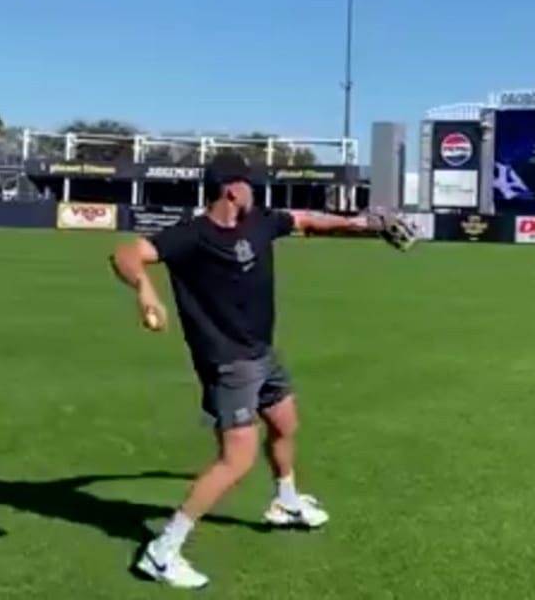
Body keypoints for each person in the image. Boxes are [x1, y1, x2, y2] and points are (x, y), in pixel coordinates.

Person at [110, 151, 379, 590]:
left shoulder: (261, 222)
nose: (256, 191)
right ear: (232, 189)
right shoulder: (190, 237)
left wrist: (363, 224)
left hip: (262, 352)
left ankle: (285, 501)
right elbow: (126, 253)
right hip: (227, 360)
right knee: (236, 460)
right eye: (250, 184)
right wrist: (145, 290)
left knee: (285, 420)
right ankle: (163, 551)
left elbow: (307, 220)